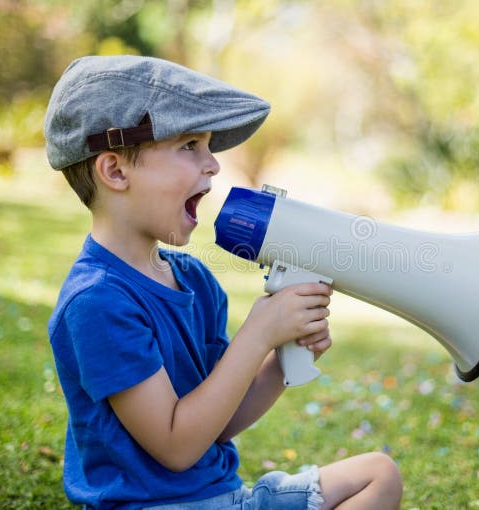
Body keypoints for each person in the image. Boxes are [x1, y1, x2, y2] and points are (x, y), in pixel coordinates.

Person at [43, 55, 403, 510]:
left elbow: (219, 420)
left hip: (229, 498)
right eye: (190, 145)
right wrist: (256, 336)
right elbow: (176, 446)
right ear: (116, 171)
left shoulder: (194, 279)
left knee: (379, 476)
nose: (213, 165)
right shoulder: (97, 301)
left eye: (209, 147)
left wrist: (278, 358)